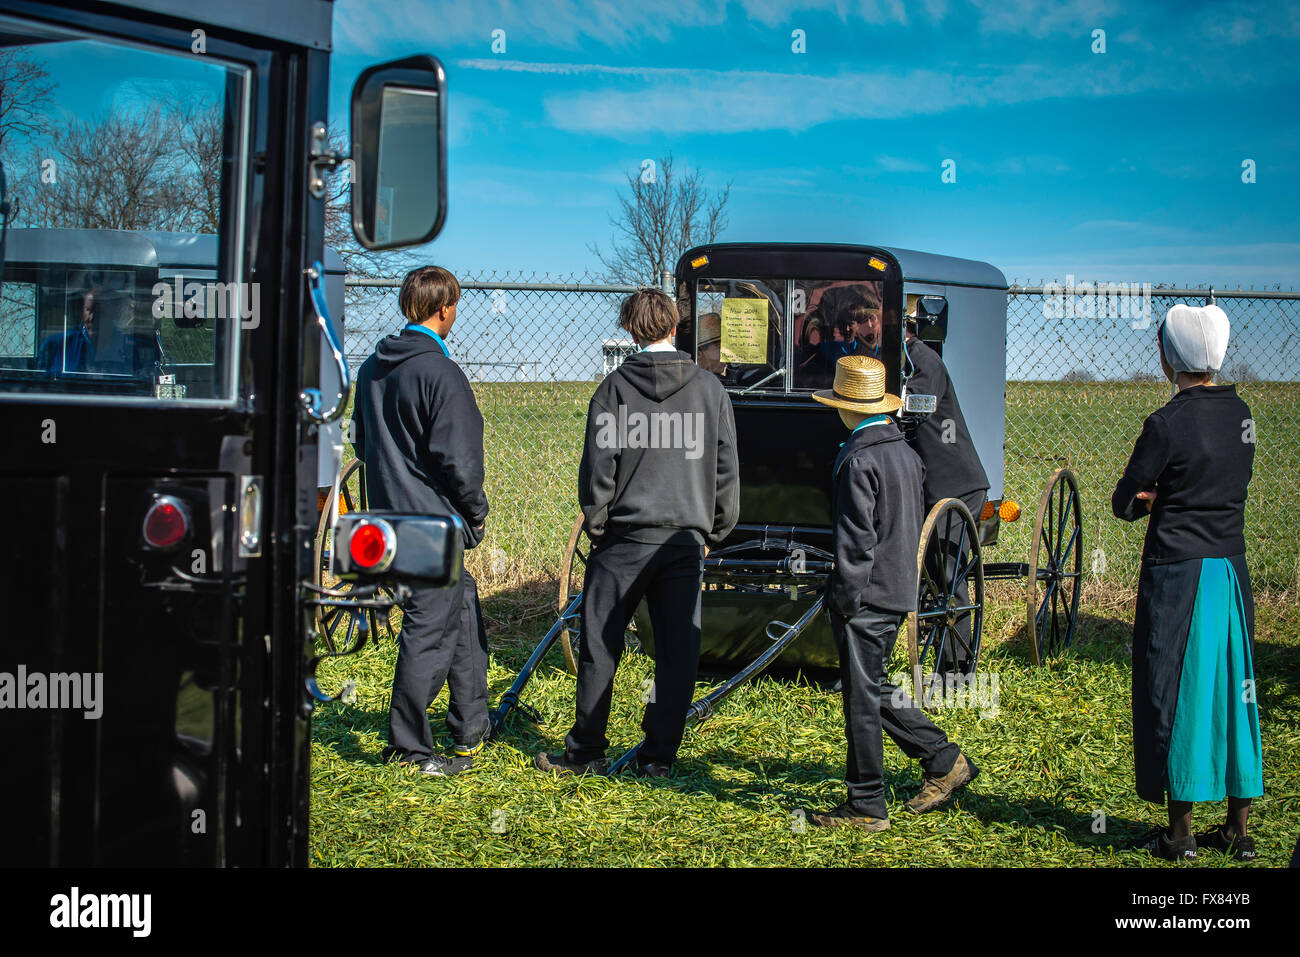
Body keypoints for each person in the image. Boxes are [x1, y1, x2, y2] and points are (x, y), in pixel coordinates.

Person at [536, 287, 739, 778]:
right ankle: (658, 757)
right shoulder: (710, 390)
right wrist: (715, 529)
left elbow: (598, 470)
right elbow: (726, 469)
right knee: (676, 652)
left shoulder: (613, 390)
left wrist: (599, 524)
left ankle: (585, 751)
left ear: (631, 332)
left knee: (601, 645)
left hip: (623, 540)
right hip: (683, 542)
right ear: (675, 328)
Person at [1112, 303, 1263, 861]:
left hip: (1180, 572)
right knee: (1233, 689)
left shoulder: (1166, 423)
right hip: (1231, 567)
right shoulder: (1242, 413)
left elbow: (1125, 499)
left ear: (1166, 356)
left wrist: (1149, 500)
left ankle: (1179, 836)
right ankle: (1238, 832)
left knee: (1175, 692)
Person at [809, 355, 979, 829]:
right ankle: (944, 760)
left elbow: (856, 542)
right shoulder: (905, 453)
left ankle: (866, 803)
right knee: (873, 688)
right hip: (898, 589)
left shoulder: (858, 457)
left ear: (847, 408)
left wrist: (842, 598)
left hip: (865, 596)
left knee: (861, 700)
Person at [351, 265, 491, 777]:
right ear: (443, 308)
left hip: (386, 521)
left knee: (461, 603)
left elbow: (362, 443)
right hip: (433, 524)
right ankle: (409, 749)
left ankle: (471, 725)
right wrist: (474, 513)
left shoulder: (371, 368)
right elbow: (460, 460)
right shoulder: (441, 374)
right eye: (454, 305)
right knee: (428, 632)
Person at [902, 320, 990, 672]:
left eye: (870, 319)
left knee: (948, 572)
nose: (864, 327)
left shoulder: (924, 360)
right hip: (930, 486)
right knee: (932, 570)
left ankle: (954, 667)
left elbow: (911, 410)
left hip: (957, 485)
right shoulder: (897, 360)